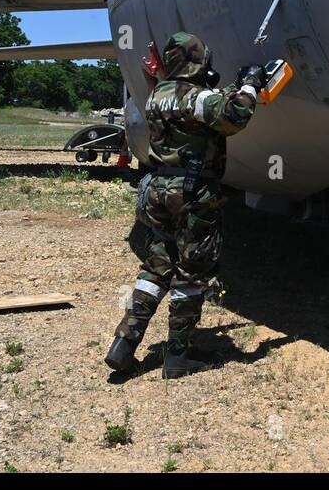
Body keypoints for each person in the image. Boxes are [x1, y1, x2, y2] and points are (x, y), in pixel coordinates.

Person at [105, 33, 264, 380]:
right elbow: (235, 115)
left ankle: (124, 343)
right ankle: (179, 353)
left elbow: (198, 109)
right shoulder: (195, 97)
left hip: (157, 188)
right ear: (197, 63)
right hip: (191, 192)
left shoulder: (155, 96)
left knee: (156, 267)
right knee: (193, 271)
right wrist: (250, 84)